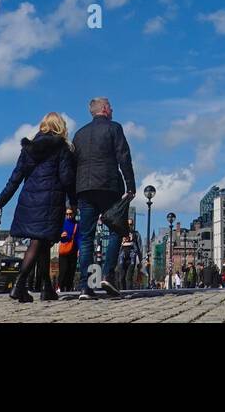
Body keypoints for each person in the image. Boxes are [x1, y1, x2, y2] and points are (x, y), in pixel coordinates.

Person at [0, 112, 76, 303]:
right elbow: (66, 178)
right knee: (38, 242)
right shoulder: (61, 148)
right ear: (60, 127)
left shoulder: (28, 148)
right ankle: (19, 284)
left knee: (42, 243)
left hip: (29, 200)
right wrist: (73, 201)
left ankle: (47, 289)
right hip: (50, 200)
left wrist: (1, 200)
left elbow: (15, 177)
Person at [71, 97, 136, 300]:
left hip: (84, 188)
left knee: (86, 237)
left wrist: (72, 195)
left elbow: (72, 165)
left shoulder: (79, 134)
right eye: (111, 107)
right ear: (105, 109)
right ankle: (108, 275)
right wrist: (131, 186)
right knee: (116, 229)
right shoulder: (114, 128)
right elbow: (124, 157)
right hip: (109, 186)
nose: (113, 110)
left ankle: (86, 286)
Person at [56, 207, 79, 292]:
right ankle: (60, 286)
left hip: (73, 249)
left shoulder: (77, 224)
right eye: (67, 214)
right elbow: (56, 235)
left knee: (71, 269)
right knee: (63, 269)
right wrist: (60, 235)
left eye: (70, 214)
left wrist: (79, 249)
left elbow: (79, 237)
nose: (68, 216)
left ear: (74, 214)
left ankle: (69, 287)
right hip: (64, 250)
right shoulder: (62, 223)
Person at [119, 219, 143, 290]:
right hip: (122, 256)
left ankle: (128, 291)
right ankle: (122, 291)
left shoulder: (136, 234)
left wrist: (140, 260)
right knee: (121, 276)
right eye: (128, 224)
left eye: (131, 224)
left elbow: (140, 247)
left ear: (133, 225)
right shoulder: (121, 233)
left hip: (132, 257)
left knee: (129, 277)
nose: (129, 226)